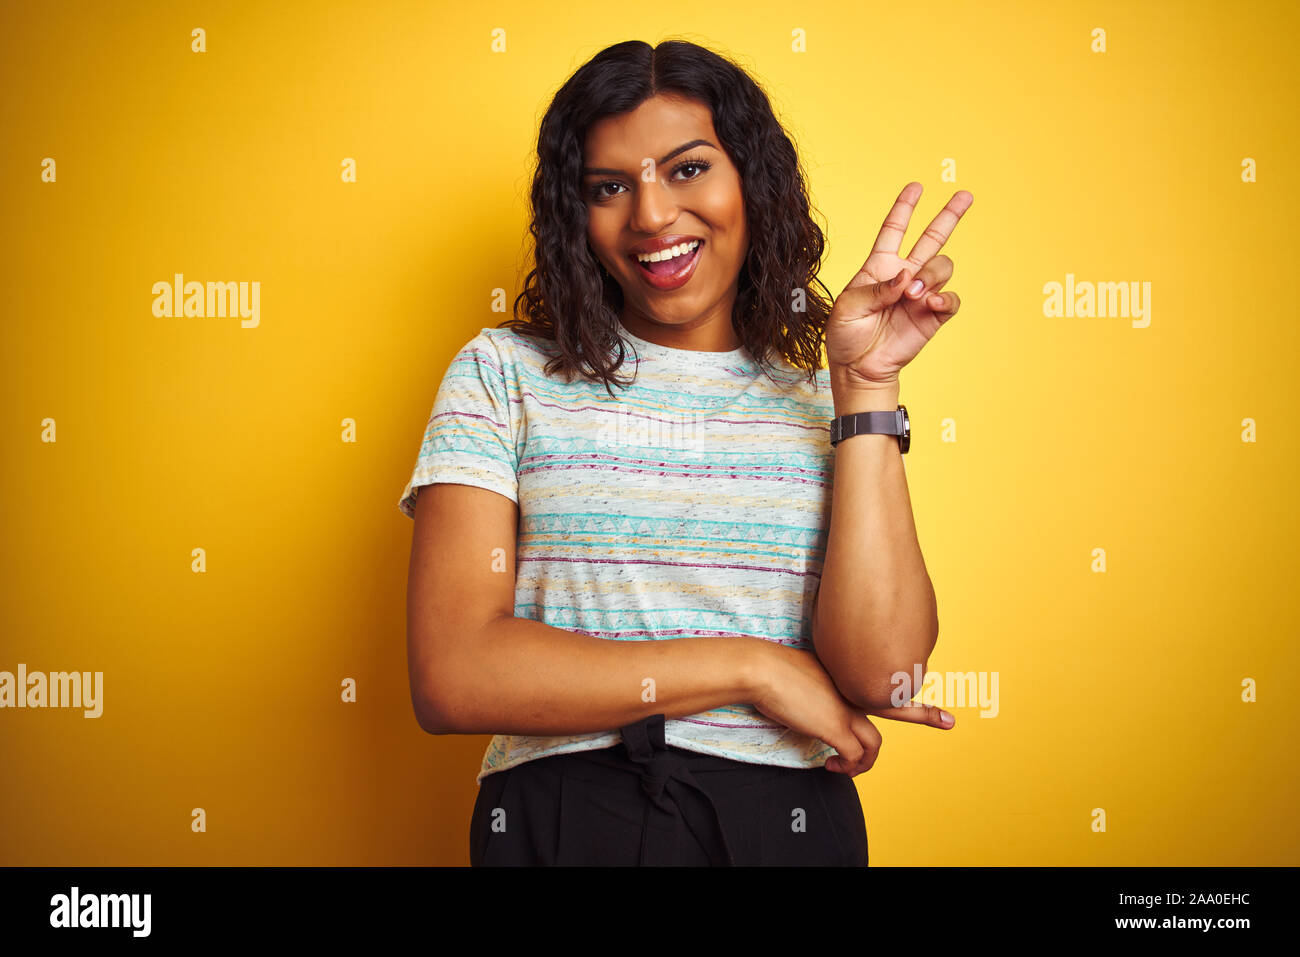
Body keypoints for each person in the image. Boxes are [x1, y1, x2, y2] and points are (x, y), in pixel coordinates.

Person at [399, 38, 973, 866]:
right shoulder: (504, 375)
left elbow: (885, 676)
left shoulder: (827, 401)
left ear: (752, 180)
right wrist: (753, 668)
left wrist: (867, 387)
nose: (653, 215)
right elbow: (454, 672)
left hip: (787, 827)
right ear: (577, 215)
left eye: (688, 169)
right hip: (568, 818)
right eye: (608, 187)